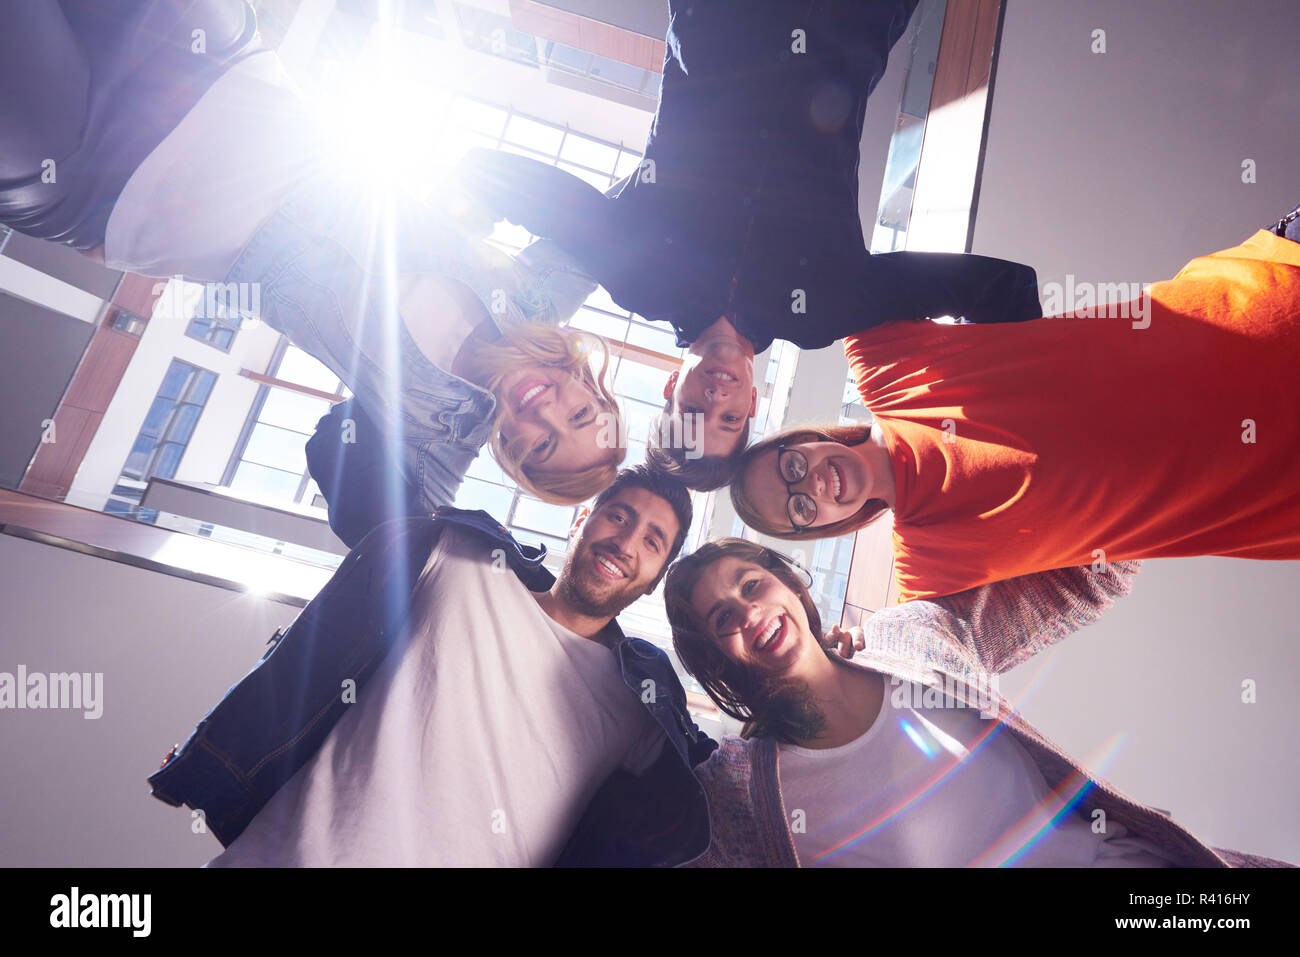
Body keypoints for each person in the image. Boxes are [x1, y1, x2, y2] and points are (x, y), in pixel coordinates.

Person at [0, 0, 625, 508]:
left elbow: (398, 540)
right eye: (577, 414)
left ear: (512, 453)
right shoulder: (540, 299)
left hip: (103, 193)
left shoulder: (433, 442)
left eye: (543, 447)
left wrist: (534, 588)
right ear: (590, 388)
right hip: (217, 67)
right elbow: (628, 229)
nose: (546, 414)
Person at [454, 0, 1043, 489]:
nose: (715, 394)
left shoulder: (637, 276)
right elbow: (998, 287)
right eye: (729, 418)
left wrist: (454, 228)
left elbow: (499, 178)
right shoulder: (827, 313)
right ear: (755, 407)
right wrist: (1028, 411)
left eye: (693, 410)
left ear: (668, 388)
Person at [151, 466, 717, 866]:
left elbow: (722, 793)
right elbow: (351, 444)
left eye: (652, 540)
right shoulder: (460, 558)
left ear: (655, 579)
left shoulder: (640, 707)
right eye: (618, 516)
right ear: (581, 521)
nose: (626, 541)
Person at [729, 219, 1300, 602]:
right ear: (821, 529)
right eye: (798, 510)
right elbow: (913, 669)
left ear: (797, 441)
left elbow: (1004, 282)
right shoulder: (927, 571)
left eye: (790, 468)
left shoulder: (883, 360)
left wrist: (1035, 367)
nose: (813, 487)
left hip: (1272, 298)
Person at [663, 539, 1292, 867]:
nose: (751, 612)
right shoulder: (744, 792)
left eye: (754, 585)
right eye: (724, 617)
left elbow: (1095, 575)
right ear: (717, 654)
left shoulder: (906, 640)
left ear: (792, 585)